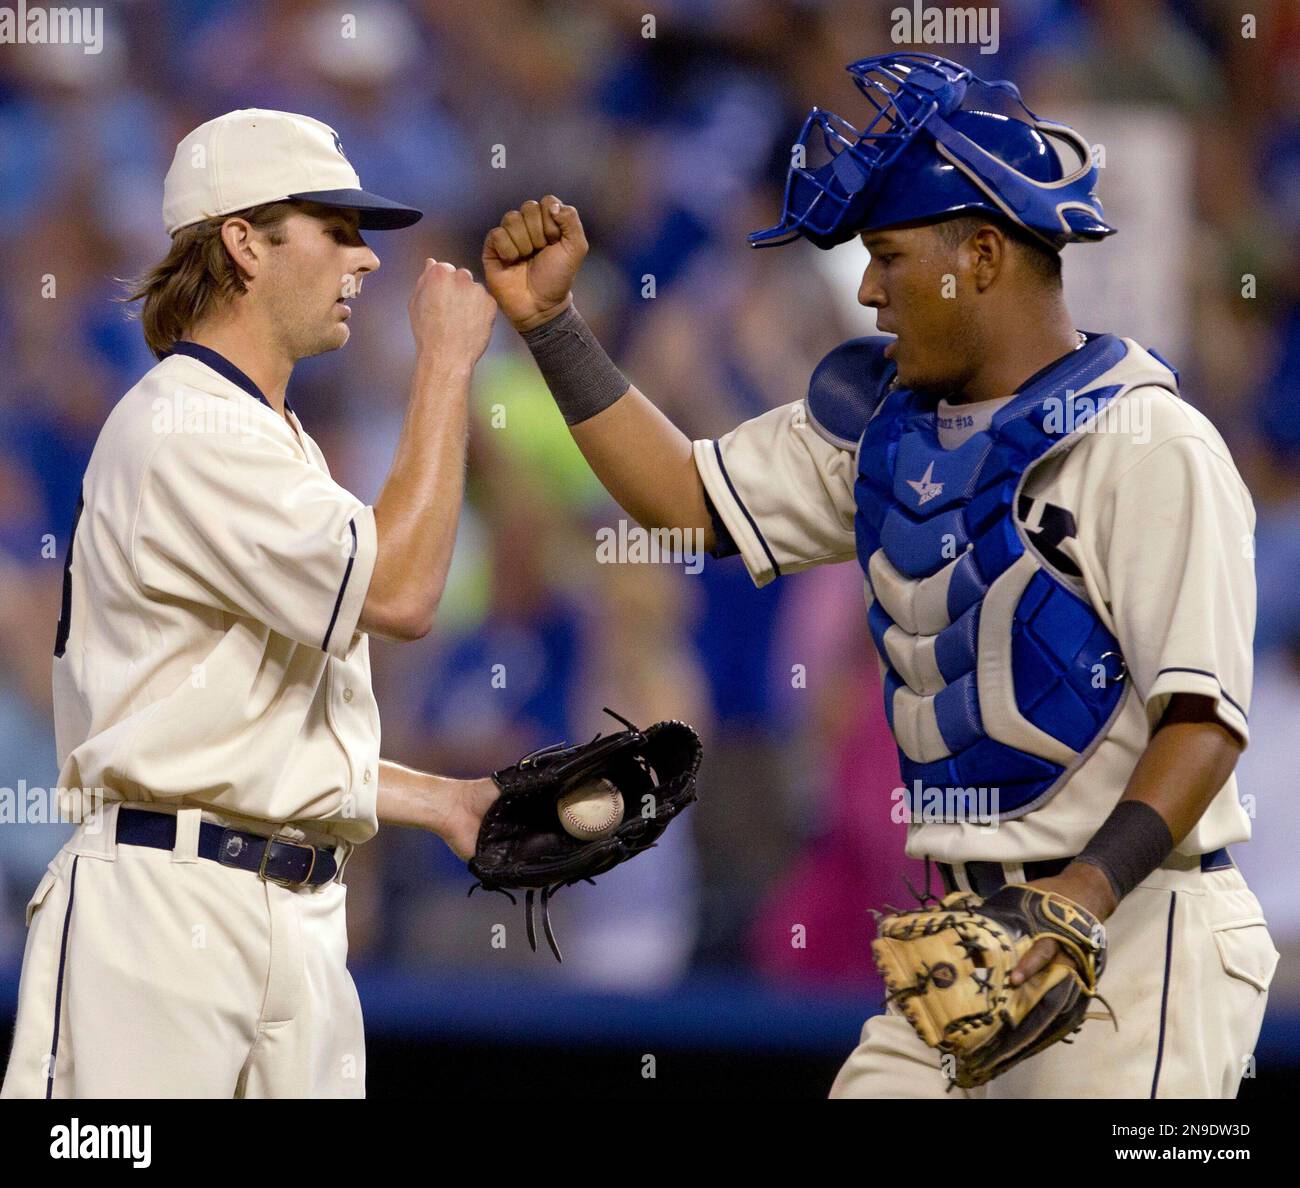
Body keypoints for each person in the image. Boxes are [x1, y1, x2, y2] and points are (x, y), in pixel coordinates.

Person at [481, 53, 1279, 1098]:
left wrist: (1083, 894)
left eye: (889, 257)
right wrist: (550, 325)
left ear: (982, 256)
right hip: (958, 941)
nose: (866, 289)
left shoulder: (1147, 441)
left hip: (1137, 930)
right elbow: (683, 497)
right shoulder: (887, 434)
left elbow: (1204, 721)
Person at [2, 108, 500, 1098]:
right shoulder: (186, 423)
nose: (364, 262)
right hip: (162, 925)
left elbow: (240, 728)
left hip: (288, 916)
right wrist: (443, 365)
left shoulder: (265, 434)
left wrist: (438, 799)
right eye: (337, 229)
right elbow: (400, 593)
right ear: (243, 240)